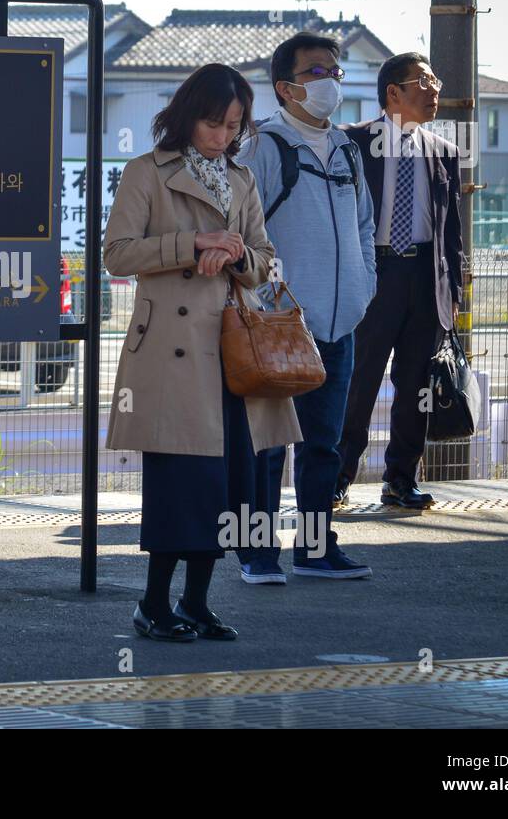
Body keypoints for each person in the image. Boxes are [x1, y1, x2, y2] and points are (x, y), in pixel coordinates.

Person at [104, 63, 302, 641]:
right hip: (170, 354)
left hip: (232, 353)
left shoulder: (240, 180)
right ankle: (151, 604)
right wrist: (193, 245)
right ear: (188, 115)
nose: (222, 136)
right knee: (180, 487)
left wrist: (235, 256)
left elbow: (265, 259)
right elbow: (117, 254)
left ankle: (196, 602)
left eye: (233, 125)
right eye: (213, 123)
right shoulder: (146, 172)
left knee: (228, 487)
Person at [240, 33, 376, 582]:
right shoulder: (264, 147)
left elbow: (364, 225)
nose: (331, 81)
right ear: (286, 87)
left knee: (324, 446)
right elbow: (246, 230)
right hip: (278, 324)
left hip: (340, 323)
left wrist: (364, 284)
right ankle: (256, 552)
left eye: (335, 72)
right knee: (268, 447)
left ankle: (316, 550)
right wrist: (270, 296)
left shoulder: (345, 147)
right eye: (317, 72)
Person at [336, 53, 464, 509]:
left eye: (436, 79)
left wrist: (456, 293)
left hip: (427, 279)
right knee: (358, 379)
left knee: (417, 386)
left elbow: (453, 231)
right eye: (425, 81)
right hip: (374, 274)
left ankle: (400, 479)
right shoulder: (350, 144)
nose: (435, 89)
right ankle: (337, 475)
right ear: (394, 91)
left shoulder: (444, 152)